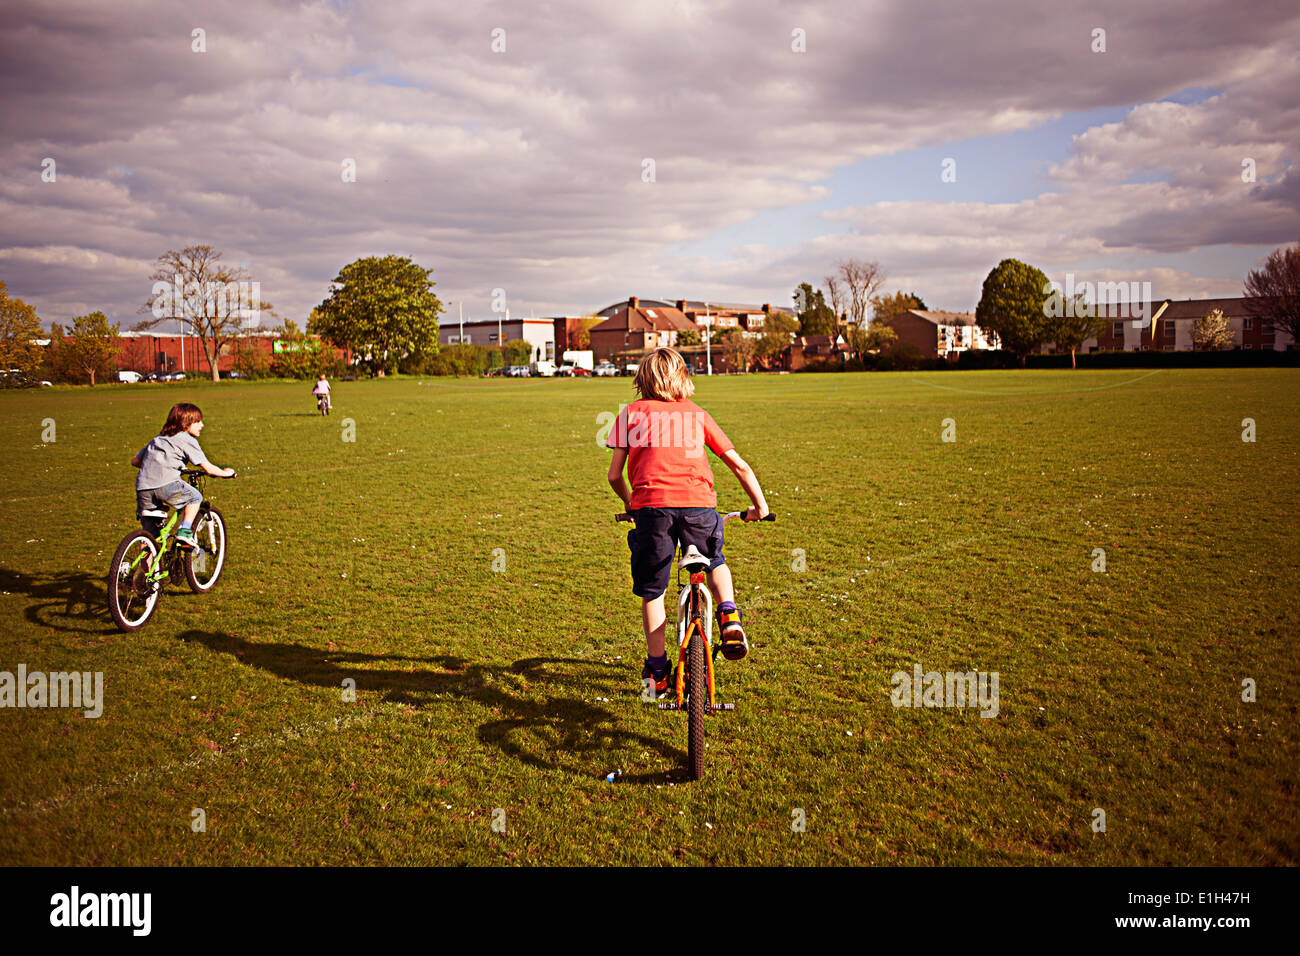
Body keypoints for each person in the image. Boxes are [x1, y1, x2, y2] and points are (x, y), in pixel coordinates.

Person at [605, 347, 770, 697]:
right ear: (683, 377)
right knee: (716, 560)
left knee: (653, 590)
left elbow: (614, 474)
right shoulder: (697, 414)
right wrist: (760, 506)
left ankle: (658, 671)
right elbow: (740, 465)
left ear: (642, 380)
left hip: (652, 511)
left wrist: (631, 502)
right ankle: (729, 616)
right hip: (699, 506)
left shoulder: (631, 415)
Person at [131, 403, 236, 549]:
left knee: (150, 536)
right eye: (198, 421)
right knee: (195, 497)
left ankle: (147, 571)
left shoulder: (159, 439)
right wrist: (226, 473)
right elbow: (208, 468)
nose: (202, 425)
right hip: (166, 484)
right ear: (186, 423)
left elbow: (135, 461)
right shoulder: (186, 439)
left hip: (143, 488)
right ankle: (185, 531)